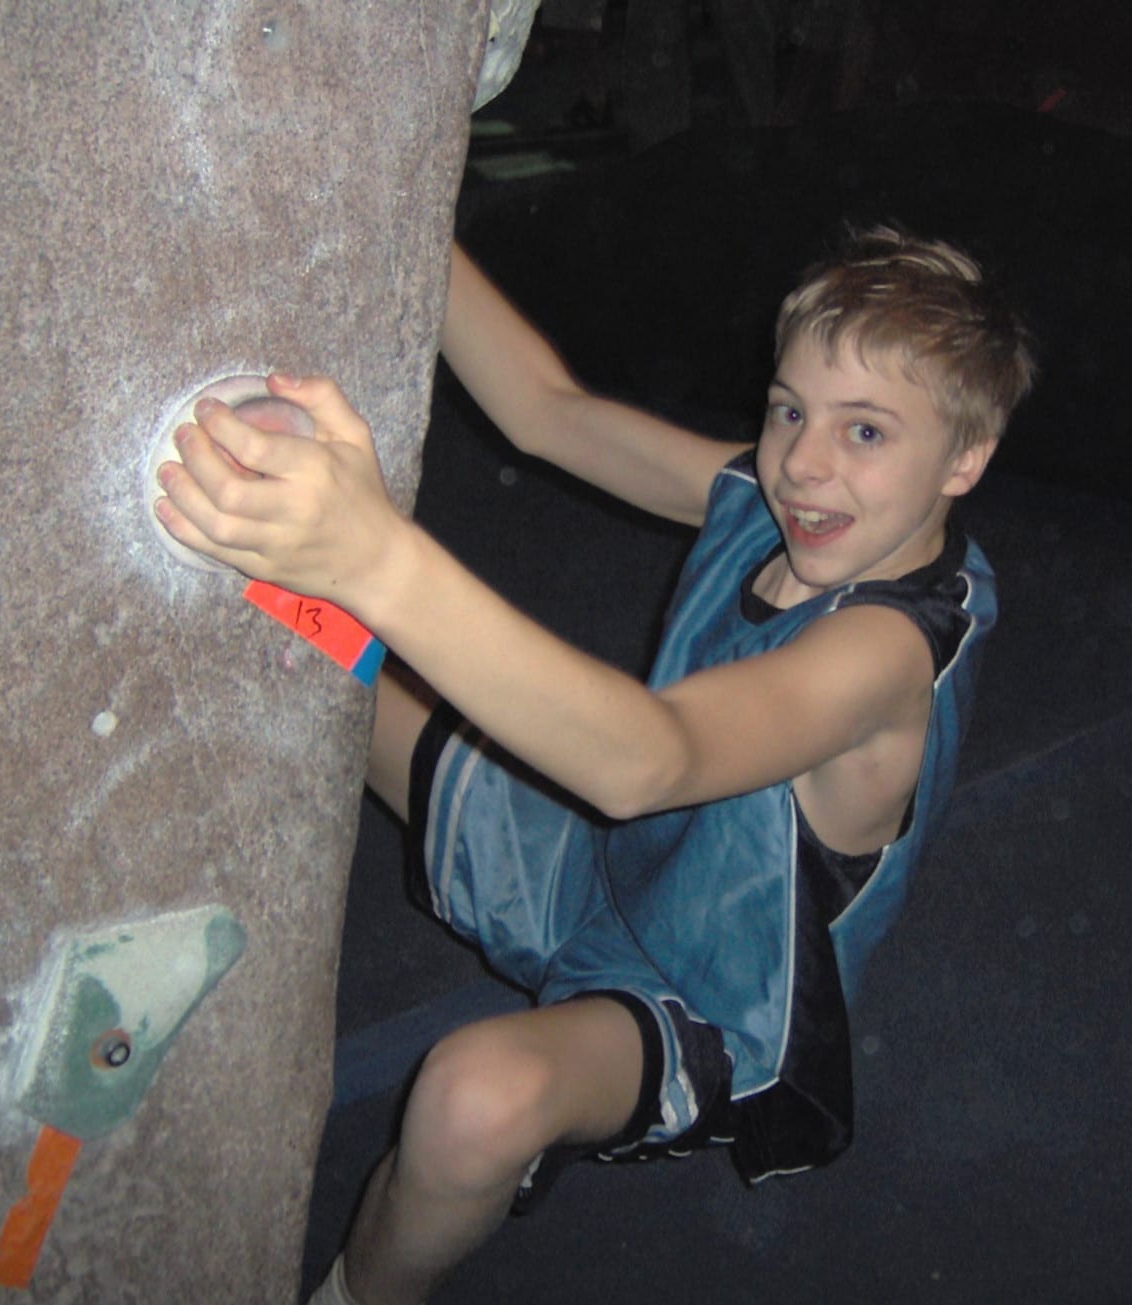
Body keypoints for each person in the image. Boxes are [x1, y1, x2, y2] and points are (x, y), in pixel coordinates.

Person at [154, 224, 1035, 1305]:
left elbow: (648, 760)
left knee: (472, 1100)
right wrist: (393, 202)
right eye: (789, 409)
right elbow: (546, 413)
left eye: (865, 431)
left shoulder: (886, 655)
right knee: (325, 642)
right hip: (606, 848)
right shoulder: (778, 501)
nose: (805, 463)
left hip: (706, 991)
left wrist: (372, 554)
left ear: (965, 460)